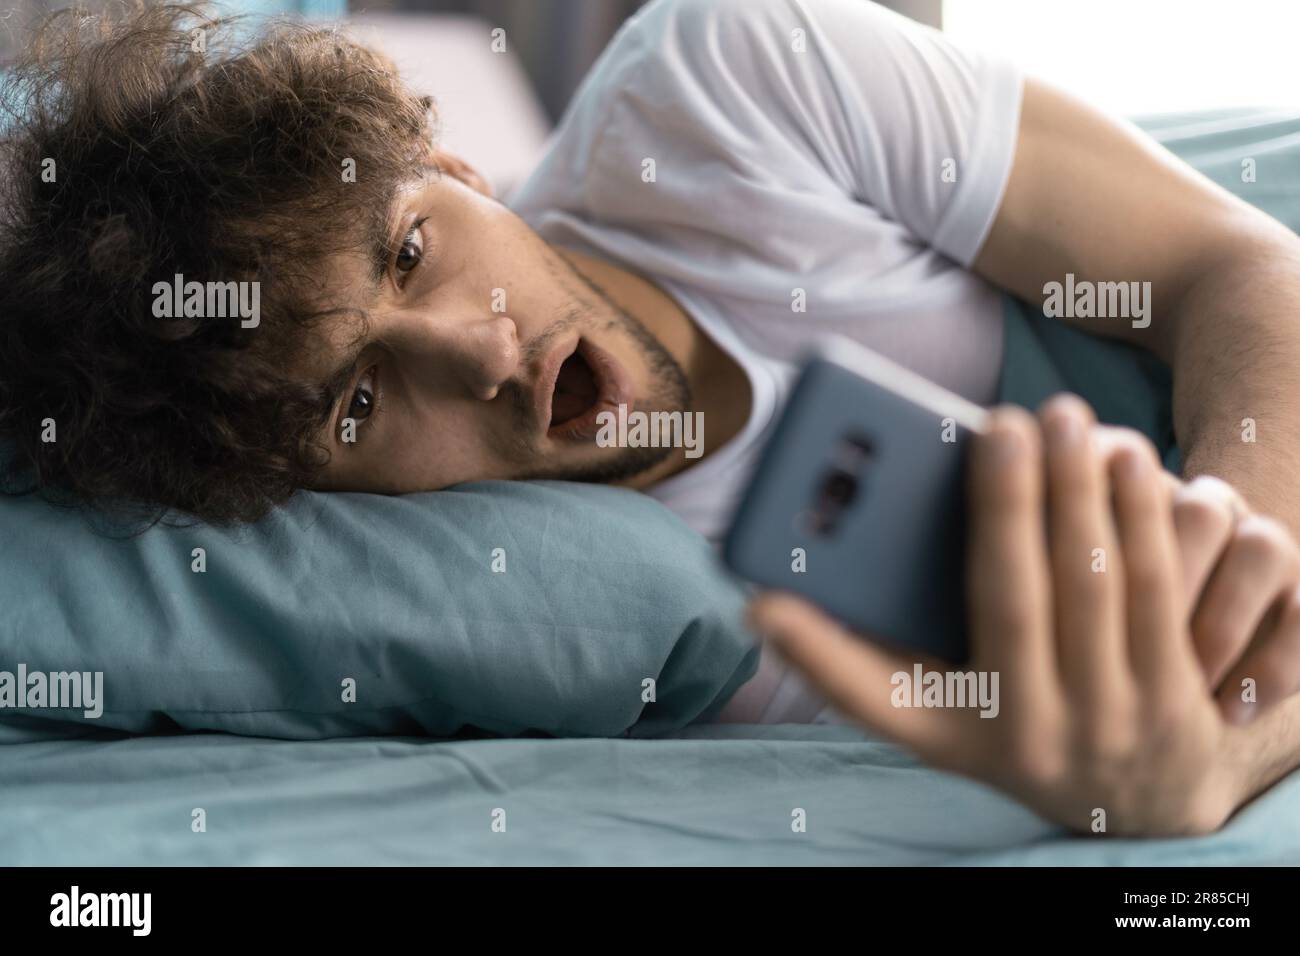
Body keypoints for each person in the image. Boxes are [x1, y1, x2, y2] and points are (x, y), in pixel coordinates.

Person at [2, 0, 1299, 834]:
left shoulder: (726, 79)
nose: (479, 355)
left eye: (408, 251)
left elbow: (1235, 270)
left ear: (454, 168)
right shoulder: (531, 623)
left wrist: (1235, 561)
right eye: (356, 402)